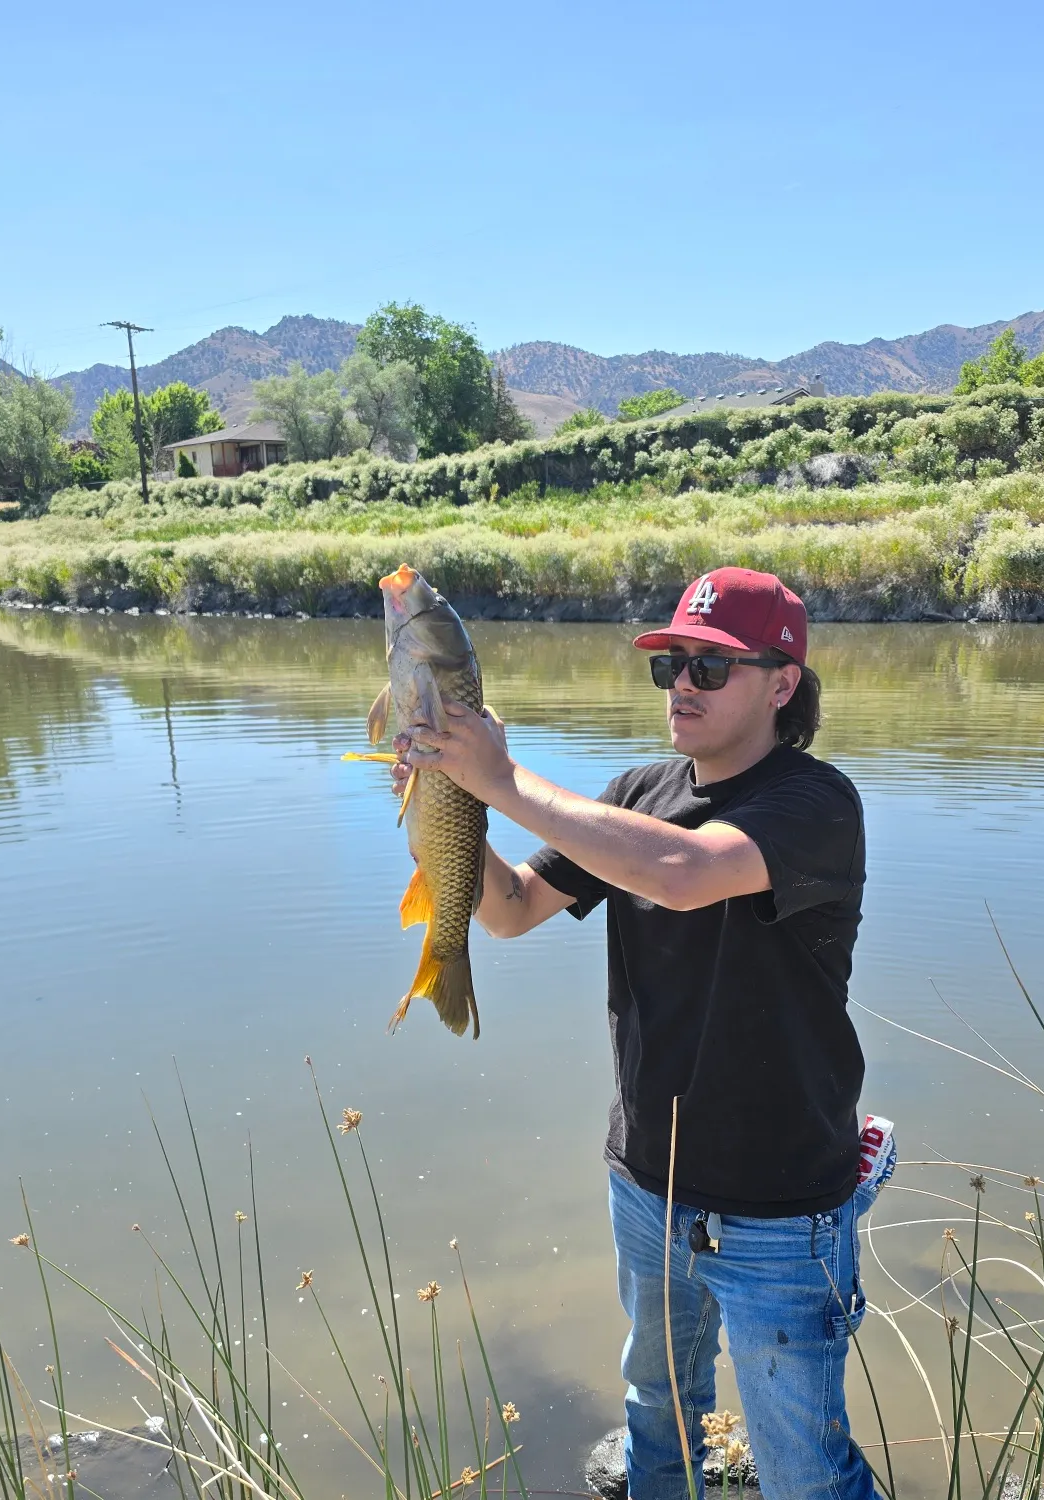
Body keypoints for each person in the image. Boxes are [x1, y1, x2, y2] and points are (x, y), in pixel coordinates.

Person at [391, 568, 884, 1500]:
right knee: (656, 1413)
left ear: (783, 684)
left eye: (710, 667)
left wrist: (500, 777)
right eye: (671, 668)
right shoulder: (637, 793)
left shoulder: (817, 805)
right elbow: (508, 910)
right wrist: (444, 811)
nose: (684, 685)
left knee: (802, 1467)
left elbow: (683, 872)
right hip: (648, 1183)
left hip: (779, 1205)